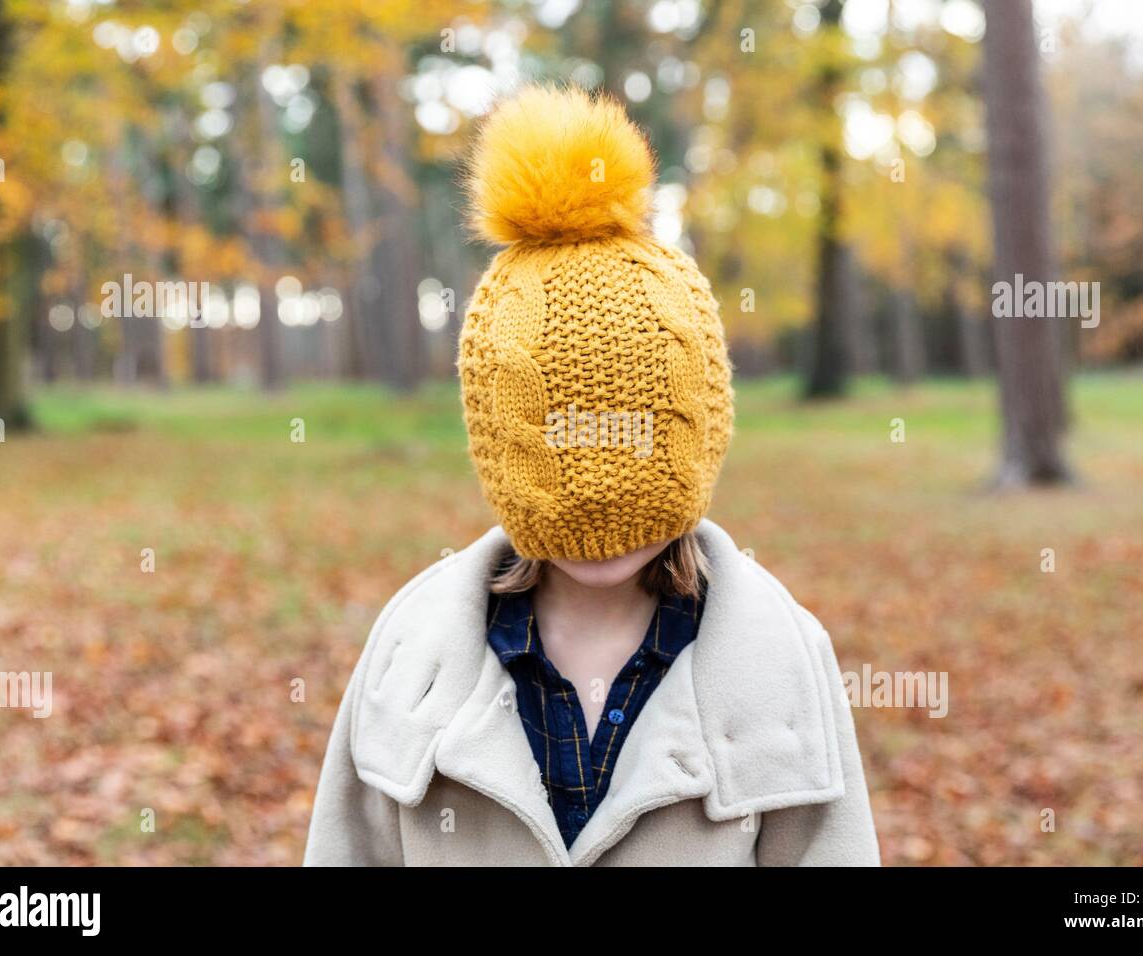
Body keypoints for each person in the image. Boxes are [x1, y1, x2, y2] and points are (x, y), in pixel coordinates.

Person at [304, 85, 879, 866]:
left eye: (630, 445)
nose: (596, 492)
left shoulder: (779, 659)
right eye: (559, 445)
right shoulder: (410, 658)